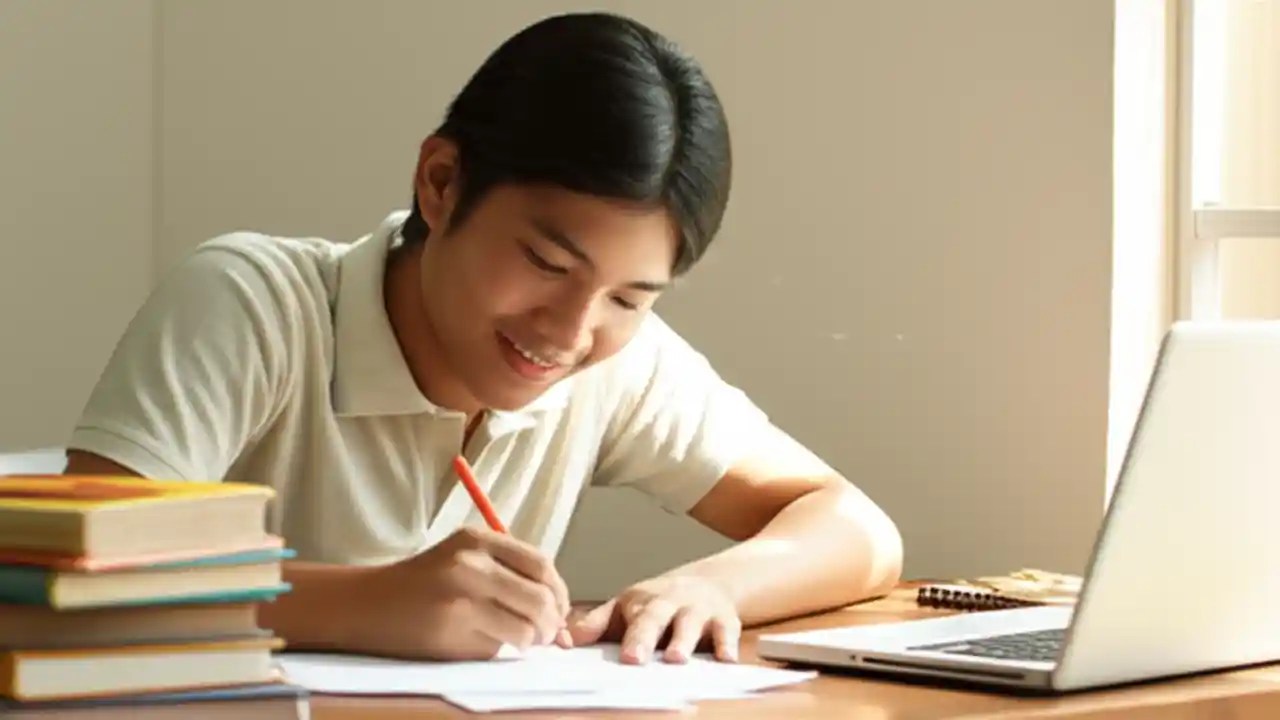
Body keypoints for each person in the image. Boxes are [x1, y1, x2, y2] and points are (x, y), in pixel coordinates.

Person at [63, 11, 903, 665]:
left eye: (630, 296)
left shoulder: (615, 363)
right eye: (545, 261)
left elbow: (855, 530)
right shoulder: (253, 305)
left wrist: (707, 586)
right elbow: (64, 576)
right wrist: (362, 604)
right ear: (441, 182)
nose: (571, 331)